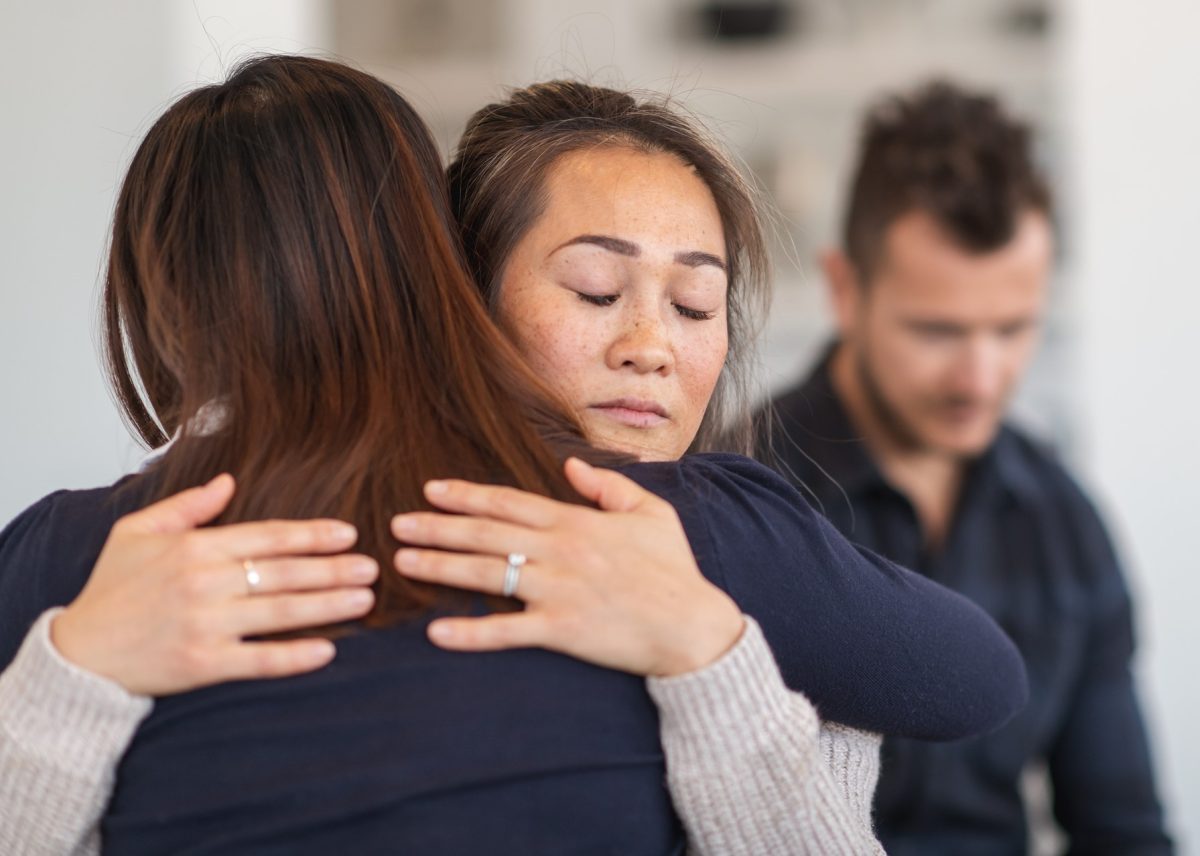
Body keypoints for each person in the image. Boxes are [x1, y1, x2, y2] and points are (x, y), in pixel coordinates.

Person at [0, 60, 1023, 854]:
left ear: (154, 302)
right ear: (457, 294)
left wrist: (705, 639)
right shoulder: (675, 525)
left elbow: (977, 677)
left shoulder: (74, 552)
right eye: (591, 289)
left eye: (698, 303)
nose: (650, 343)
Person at [762, 80, 1174, 854]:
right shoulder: (743, 495)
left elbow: (1123, 831)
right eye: (938, 331)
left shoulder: (1065, 522)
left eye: (1013, 328)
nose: (981, 380)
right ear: (846, 290)